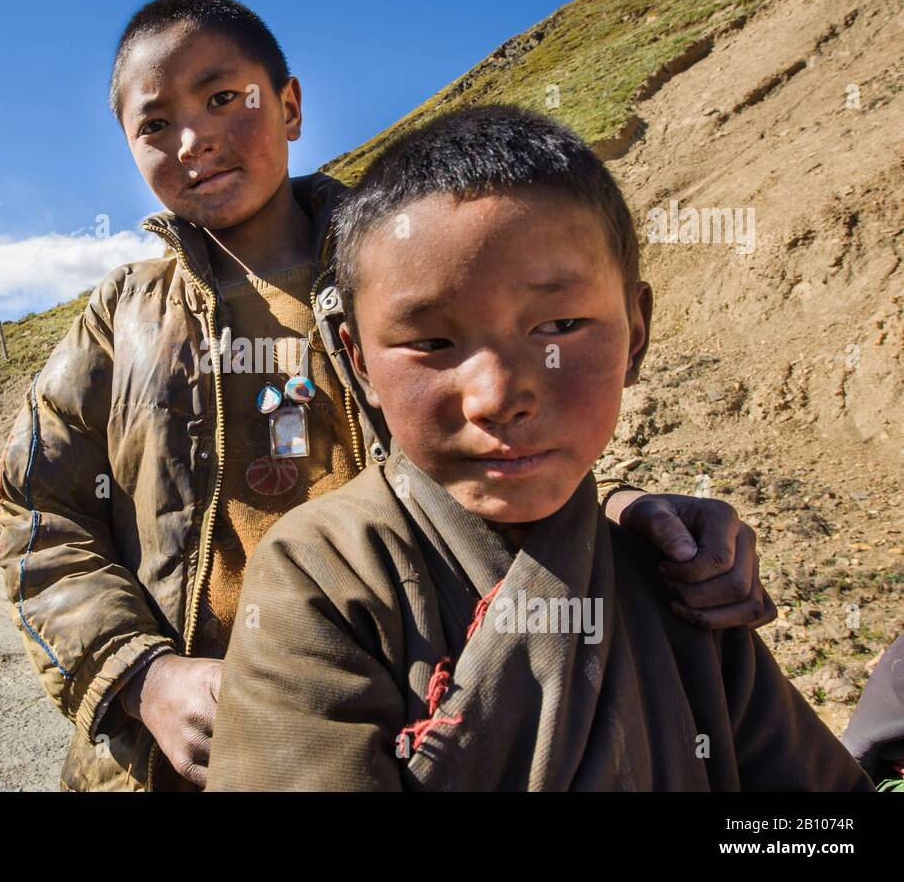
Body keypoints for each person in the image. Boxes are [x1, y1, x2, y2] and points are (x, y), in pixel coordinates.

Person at [0, 0, 775, 792]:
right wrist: (141, 676)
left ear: (290, 104)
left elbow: (503, 437)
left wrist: (625, 520)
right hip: (177, 748)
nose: (194, 139)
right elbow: (37, 510)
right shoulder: (120, 319)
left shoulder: (408, 270)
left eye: (225, 98)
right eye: (155, 124)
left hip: (409, 714)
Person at [206, 104, 872, 791]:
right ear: (360, 361)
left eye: (558, 325)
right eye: (433, 342)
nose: (496, 394)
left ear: (636, 332)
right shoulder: (324, 573)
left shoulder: (671, 578)